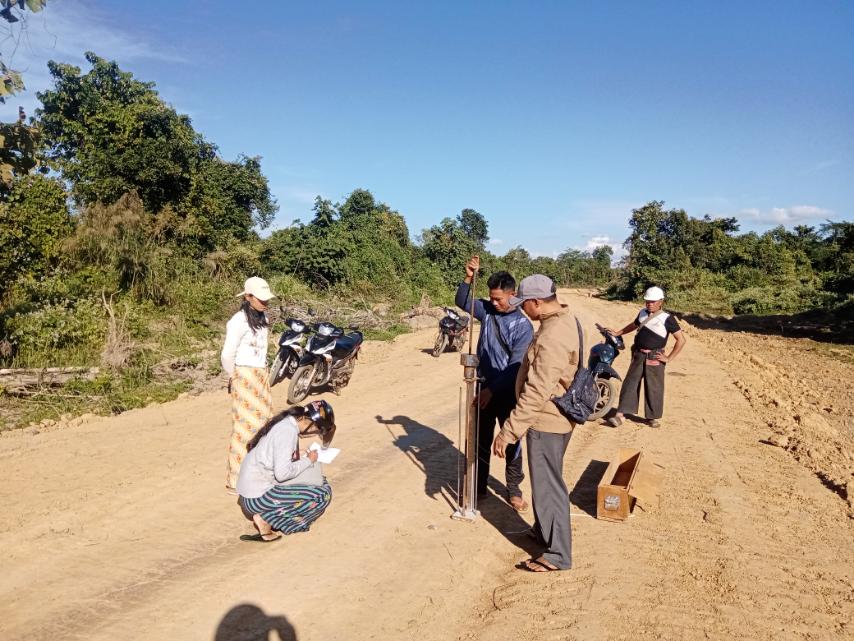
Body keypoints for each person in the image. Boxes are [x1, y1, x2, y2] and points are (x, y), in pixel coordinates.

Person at [493, 274, 579, 572]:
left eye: (523, 304)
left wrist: (509, 431)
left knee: (548, 486)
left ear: (537, 303)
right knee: (545, 482)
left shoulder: (552, 336)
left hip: (548, 421)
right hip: (556, 418)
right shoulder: (564, 320)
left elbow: (536, 391)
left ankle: (557, 555)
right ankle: (544, 533)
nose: (521, 310)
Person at [456, 255, 534, 512]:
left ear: (512, 296)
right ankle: (478, 487)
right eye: (491, 297)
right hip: (482, 386)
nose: (493, 302)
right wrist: (469, 276)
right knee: (479, 439)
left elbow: (515, 367)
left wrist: (492, 390)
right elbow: (463, 301)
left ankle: (514, 490)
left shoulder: (523, 326)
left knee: (510, 441)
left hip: (508, 391)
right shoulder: (488, 312)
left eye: (498, 298)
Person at [237, 400, 336, 542]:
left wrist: (300, 455)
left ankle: (269, 514)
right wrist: (309, 460)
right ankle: (266, 519)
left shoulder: (286, 423)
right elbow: (282, 474)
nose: (314, 434)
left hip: (251, 491)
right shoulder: (287, 432)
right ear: (311, 424)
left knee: (321, 481)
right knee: (323, 494)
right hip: (256, 499)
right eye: (317, 431)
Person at [222, 276, 276, 492]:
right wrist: (234, 376)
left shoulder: (263, 318)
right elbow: (227, 354)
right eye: (261, 299)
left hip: (260, 375)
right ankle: (235, 480)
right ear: (248, 297)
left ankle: (258, 474)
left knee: (265, 423)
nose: (265, 303)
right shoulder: (237, 321)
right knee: (244, 428)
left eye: (266, 299)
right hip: (244, 375)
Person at [604, 286, 687, 429]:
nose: (649, 304)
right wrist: (618, 333)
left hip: (655, 356)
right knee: (630, 383)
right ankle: (621, 415)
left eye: (653, 301)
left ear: (661, 302)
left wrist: (668, 358)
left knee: (654, 387)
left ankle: (652, 417)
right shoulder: (642, 313)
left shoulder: (667, 319)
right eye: (647, 301)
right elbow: (634, 325)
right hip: (638, 354)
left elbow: (681, 340)